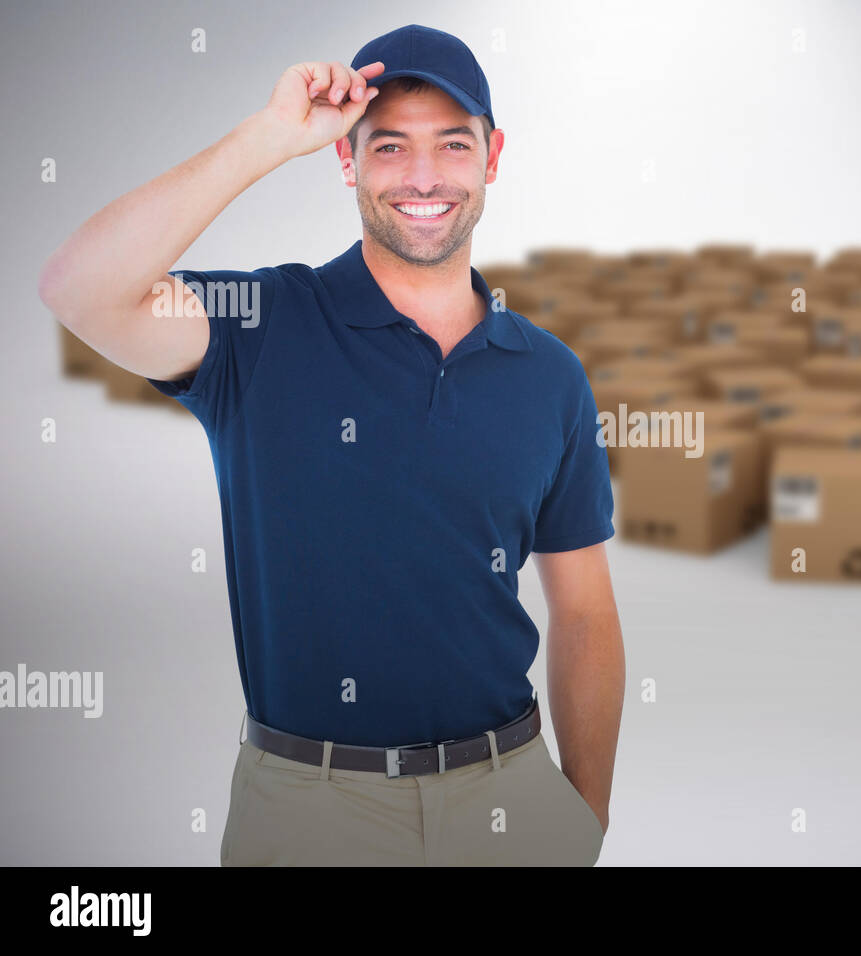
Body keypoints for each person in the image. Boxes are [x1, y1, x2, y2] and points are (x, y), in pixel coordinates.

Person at [37, 24, 623, 866]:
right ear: (346, 161)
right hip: (310, 814)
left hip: (511, 800)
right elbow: (78, 288)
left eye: (451, 145)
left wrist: (584, 823)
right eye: (389, 147)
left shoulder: (550, 374)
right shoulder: (262, 327)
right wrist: (268, 137)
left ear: (491, 157)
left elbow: (586, 611)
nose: (423, 177)